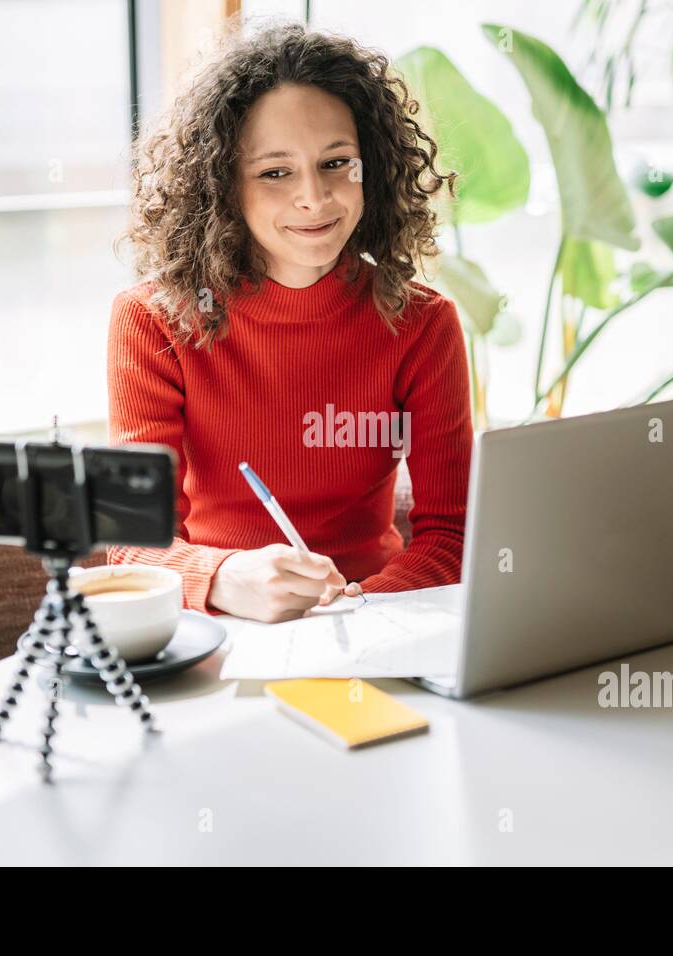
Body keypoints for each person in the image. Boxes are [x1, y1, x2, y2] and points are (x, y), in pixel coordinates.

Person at [107, 21, 472, 623]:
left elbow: (453, 538)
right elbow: (134, 545)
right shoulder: (152, 322)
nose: (315, 197)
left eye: (337, 163)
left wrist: (353, 606)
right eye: (275, 172)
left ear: (372, 168)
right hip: (219, 630)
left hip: (380, 623)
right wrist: (223, 577)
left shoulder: (423, 325)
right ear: (223, 185)